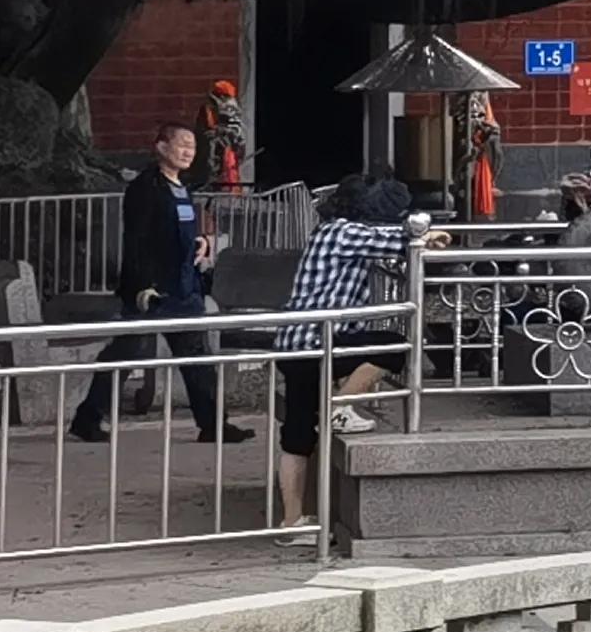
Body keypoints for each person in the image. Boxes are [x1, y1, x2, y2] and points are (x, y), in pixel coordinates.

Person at [73, 119, 253, 444]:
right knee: (128, 352)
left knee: (197, 357)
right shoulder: (145, 189)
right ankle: (88, 417)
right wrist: (143, 285)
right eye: (181, 144)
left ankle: (213, 424)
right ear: (161, 147)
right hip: (154, 290)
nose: (188, 151)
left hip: (184, 288)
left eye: (192, 146)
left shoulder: (182, 187)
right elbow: (138, 241)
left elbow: (183, 230)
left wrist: (203, 242)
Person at [271, 176, 424, 523]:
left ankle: (291, 521)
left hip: (298, 346)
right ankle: (338, 409)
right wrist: (425, 234)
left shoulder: (331, 230)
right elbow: (402, 239)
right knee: (394, 346)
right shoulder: (343, 232)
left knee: (296, 437)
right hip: (315, 343)